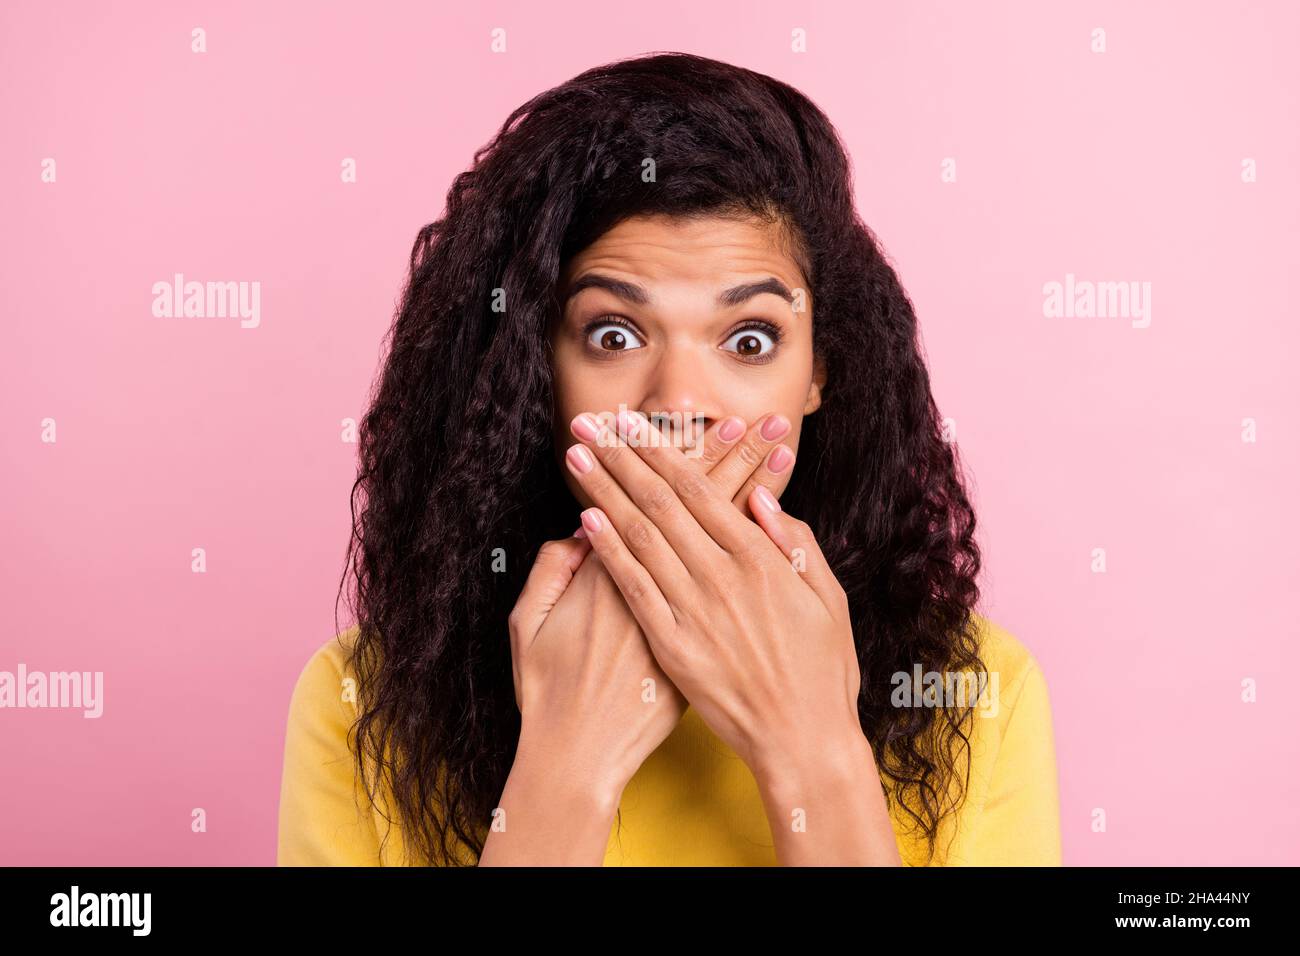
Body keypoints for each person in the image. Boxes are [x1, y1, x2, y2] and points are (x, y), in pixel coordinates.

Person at [277, 51, 1061, 866]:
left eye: (750, 339)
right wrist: (567, 765)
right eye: (613, 335)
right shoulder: (361, 703)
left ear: (818, 372)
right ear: (534, 371)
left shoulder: (976, 698)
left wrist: (812, 749)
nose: (680, 404)